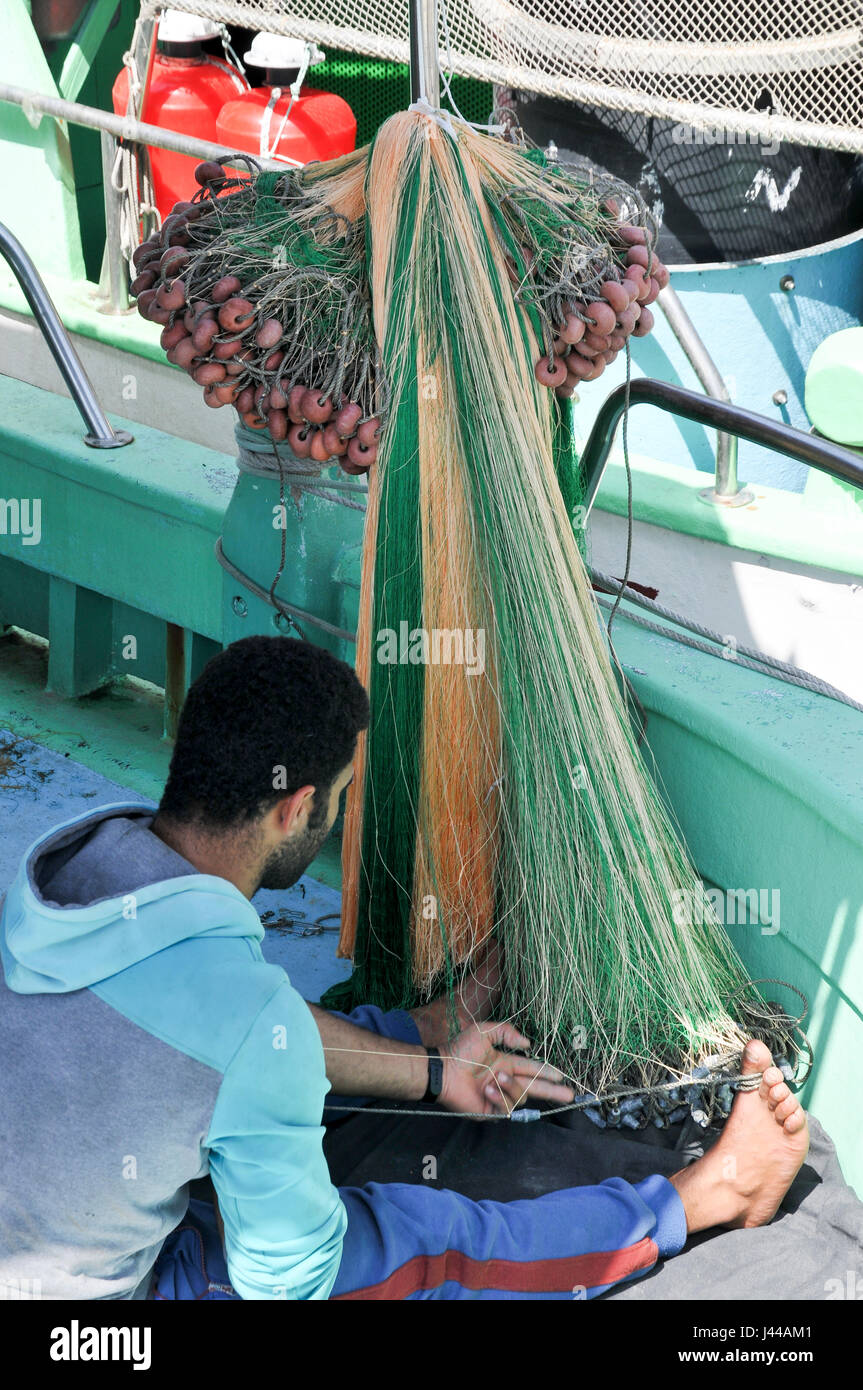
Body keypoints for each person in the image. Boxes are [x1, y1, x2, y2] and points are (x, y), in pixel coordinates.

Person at [0, 636, 808, 1301]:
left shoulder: (68, 873)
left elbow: (224, 1025)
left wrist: (427, 1059)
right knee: (415, 1236)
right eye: (338, 799)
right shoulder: (245, 1026)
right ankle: (708, 1196)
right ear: (294, 809)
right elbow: (293, 1279)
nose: (337, 816)